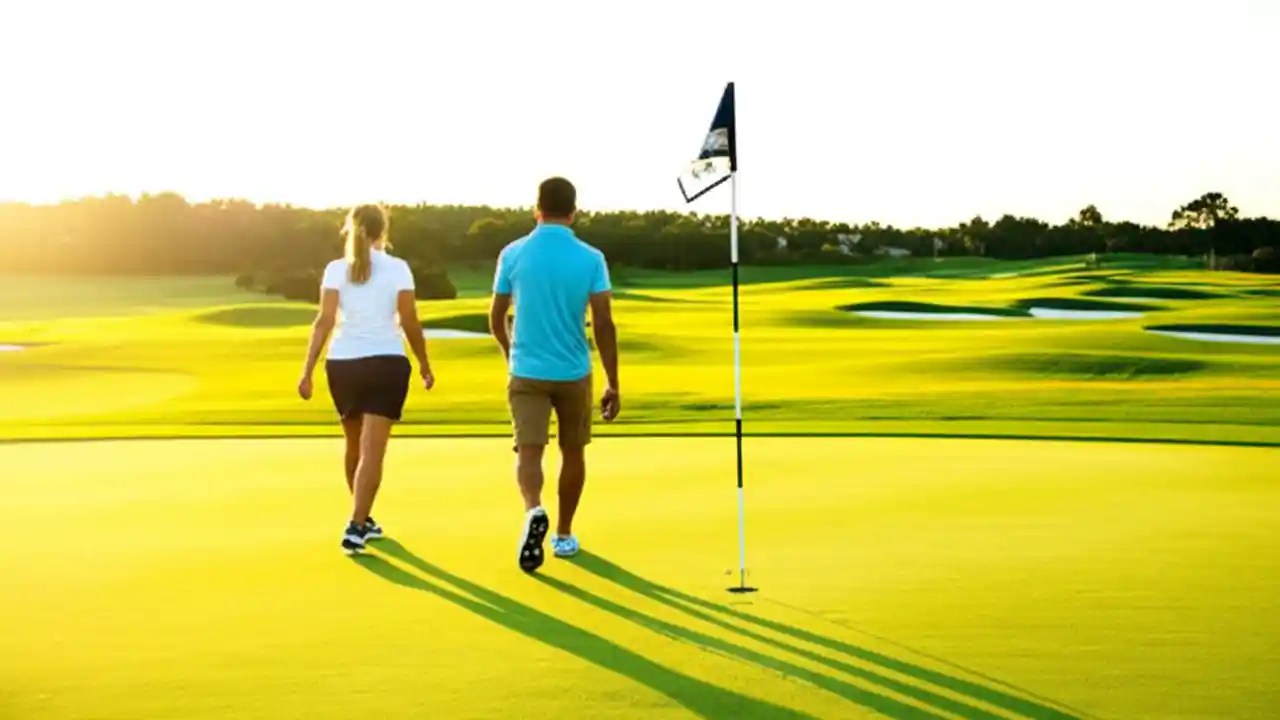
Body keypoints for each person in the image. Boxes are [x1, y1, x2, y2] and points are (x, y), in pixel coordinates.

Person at [490, 177, 620, 573]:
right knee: (573, 451)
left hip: (527, 369)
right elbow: (603, 323)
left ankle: (534, 510)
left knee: (529, 451)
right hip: (574, 371)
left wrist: (510, 352)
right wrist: (613, 381)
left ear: (537, 209)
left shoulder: (513, 253)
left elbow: (496, 317)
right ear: (574, 211)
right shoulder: (591, 257)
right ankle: (563, 535)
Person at [298, 204, 435, 555]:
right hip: (385, 364)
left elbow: (324, 321)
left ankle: (364, 517)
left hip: (342, 364)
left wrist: (307, 370)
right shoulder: (398, 268)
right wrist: (424, 363)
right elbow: (409, 321)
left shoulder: (334, 269)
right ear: (383, 231)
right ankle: (357, 525)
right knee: (372, 451)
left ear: (350, 229)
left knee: (355, 447)